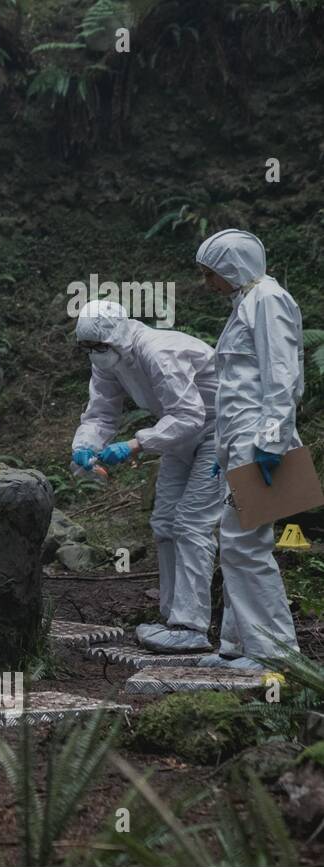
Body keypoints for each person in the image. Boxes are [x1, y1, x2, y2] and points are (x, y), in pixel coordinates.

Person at [70, 299, 223, 654]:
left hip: (218, 435)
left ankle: (191, 625)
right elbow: (101, 413)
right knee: (165, 522)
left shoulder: (158, 350)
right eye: (87, 348)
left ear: (116, 336)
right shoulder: (110, 360)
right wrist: (84, 446)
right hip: (180, 438)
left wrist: (136, 444)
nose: (94, 353)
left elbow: (189, 415)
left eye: (98, 346)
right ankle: (172, 616)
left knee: (192, 523)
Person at [197, 228, 305, 669]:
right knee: (237, 542)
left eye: (211, 274)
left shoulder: (268, 300)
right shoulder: (248, 301)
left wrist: (272, 440)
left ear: (231, 267)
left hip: (261, 441)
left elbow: (281, 373)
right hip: (242, 441)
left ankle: (276, 654)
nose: (208, 283)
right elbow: (237, 387)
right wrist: (224, 456)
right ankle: (238, 645)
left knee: (246, 545)